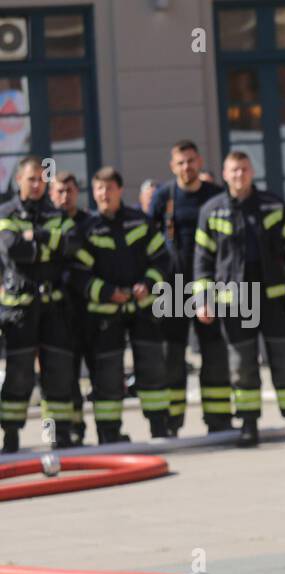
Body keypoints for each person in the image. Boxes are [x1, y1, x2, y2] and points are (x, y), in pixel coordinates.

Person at [192, 150, 285, 447]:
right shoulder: (211, 211)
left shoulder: (273, 205)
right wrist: (202, 299)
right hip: (235, 302)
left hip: (272, 298)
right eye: (234, 170)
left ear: (252, 172)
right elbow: (202, 261)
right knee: (242, 365)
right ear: (225, 174)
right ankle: (249, 424)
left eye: (244, 170)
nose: (239, 175)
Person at [71, 166, 171, 442]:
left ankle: (159, 426)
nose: (104, 194)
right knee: (107, 375)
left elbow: (162, 259)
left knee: (152, 369)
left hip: (143, 310)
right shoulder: (88, 229)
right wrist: (107, 293)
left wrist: (148, 285)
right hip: (105, 315)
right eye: (99, 189)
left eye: (109, 188)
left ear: (119, 191)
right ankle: (109, 432)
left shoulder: (139, 222)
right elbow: (79, 275)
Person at [0, 156, 84, 451]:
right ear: (19, 180)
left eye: (41, 179)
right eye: (31, 179)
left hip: (54, 309)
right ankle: (10, 434)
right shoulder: (6, 213)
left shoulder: (57, 214)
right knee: (19, 375)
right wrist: (49, 244)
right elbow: (13, 250)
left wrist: (35, 235)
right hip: (20, 310)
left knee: (57, 375)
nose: (37, 184)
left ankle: (55, 434)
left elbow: (72, 244)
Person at [149, 140, 229, 433]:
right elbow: (149, 240)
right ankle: (172, 421)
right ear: (173, 167)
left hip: (208, 287)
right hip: (172, 289)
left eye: (191, 161)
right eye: (181, 162)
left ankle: (218, 418)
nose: (187, 167)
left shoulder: (216, 195)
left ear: (199, 161)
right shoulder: (164, 197)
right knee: (172, 357)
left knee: (214, 354)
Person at [50, 171, 92, 445]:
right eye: (60, 192)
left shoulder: (90, 224)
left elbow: (93, 260)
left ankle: (97, 430)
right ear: (52, 194)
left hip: (88, 308)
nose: (65, 197)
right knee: (62, 375)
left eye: (70, 191)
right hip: (54, 311)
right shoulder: (47, 222)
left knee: (95, 372)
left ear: (78, 192)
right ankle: (66, 429)